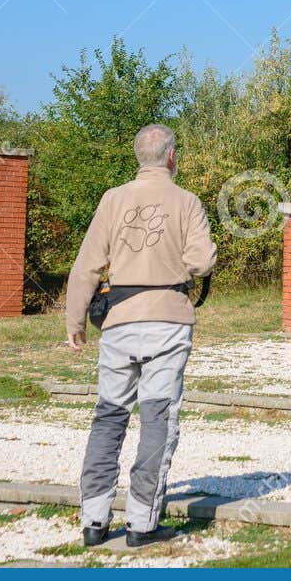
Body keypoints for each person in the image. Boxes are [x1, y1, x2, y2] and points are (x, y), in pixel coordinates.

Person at [65, 124, 216, 547]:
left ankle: (94, 521)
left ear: (139, 157)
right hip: (167, 321)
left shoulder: (112, 199)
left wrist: (75, 323)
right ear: (171, 156)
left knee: (109, 416)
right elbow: (202, 262)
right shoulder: (187, 202)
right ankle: (142, 523)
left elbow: (87, 265)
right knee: (157, 419)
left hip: (119, 321)